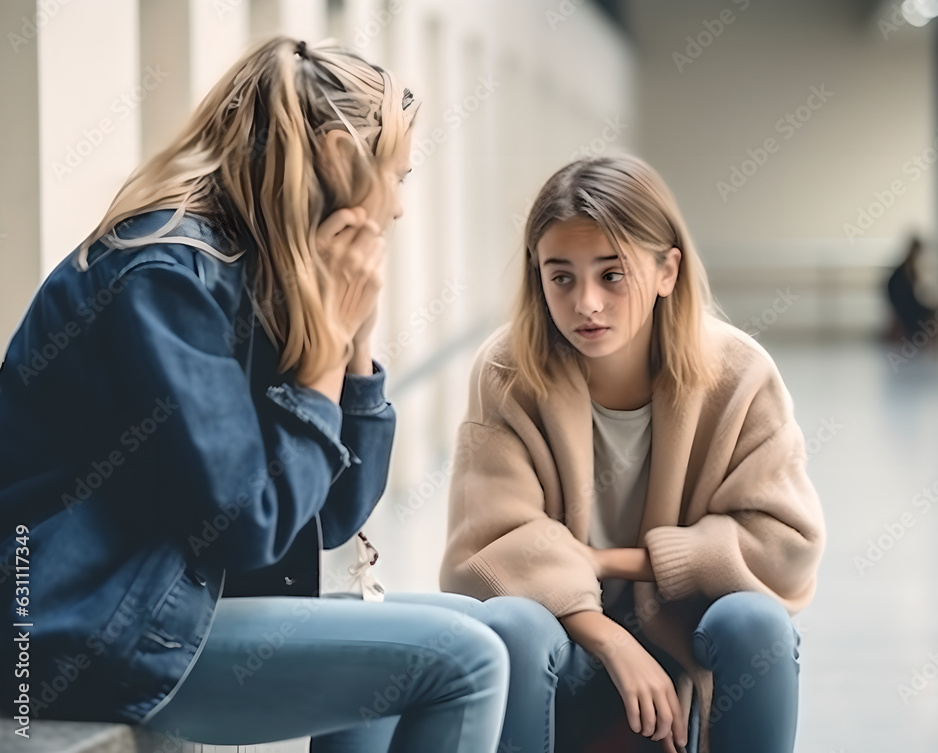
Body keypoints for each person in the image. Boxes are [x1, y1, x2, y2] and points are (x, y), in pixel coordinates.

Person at [0, 36, 537, 753]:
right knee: (466, 660)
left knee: (499, 627)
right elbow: (248, 523)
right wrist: (321, 360)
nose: (401, 208)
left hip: (156, 603)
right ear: (339, 157)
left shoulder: (264, 268)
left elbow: (334, 512)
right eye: (396, 177)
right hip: (82, 628)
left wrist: (354, 345)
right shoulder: (164, 277)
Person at [440, 155, 826, 753]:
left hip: (686, 638)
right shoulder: (505, 373)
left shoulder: (740, 374)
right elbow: (488, 545)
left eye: (611, 274)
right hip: (565, 641)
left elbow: (785, 544)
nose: (586, 303)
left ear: (667, 269)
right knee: (513, 623)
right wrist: (611, 639)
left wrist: (614, 562)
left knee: (756, 623)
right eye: (560, 276)